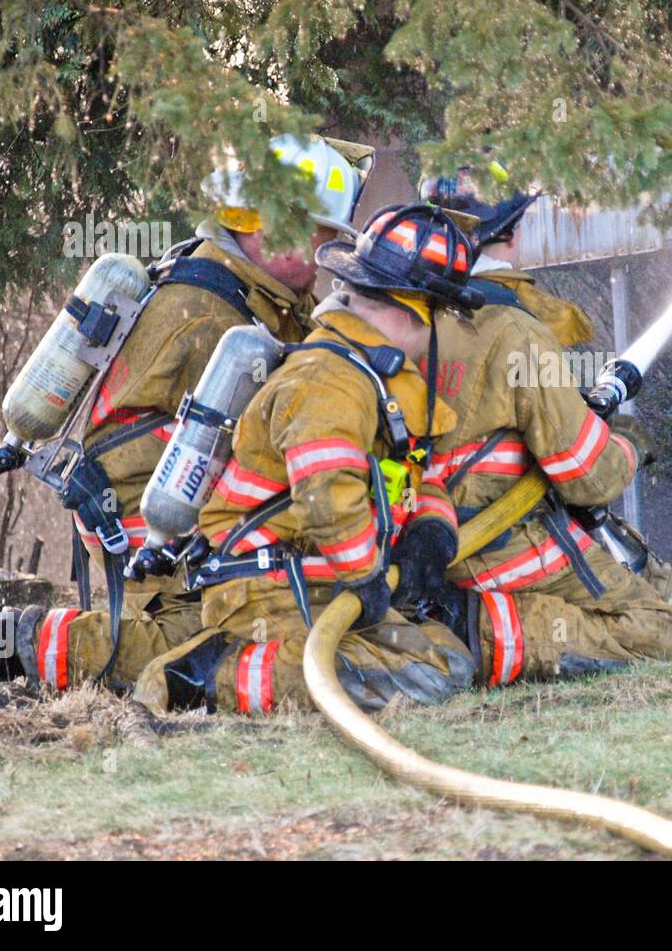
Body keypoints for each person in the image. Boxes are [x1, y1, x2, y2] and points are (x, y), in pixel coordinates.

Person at [0, 136, 368, 694]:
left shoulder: (236, 288)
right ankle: (18, 642)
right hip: (154, 539)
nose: (327, 258)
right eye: (322, 239)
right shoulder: (213, 317)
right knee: (211, 641)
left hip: (156, 523)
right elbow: (271, 446)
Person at [133, 203, 484, 714]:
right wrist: (366, 576)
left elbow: (412, 473)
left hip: (313, 584)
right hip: (268, 590)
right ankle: (203, 678)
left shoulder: (373, 375)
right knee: (426, 677)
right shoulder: (328, 377)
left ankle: (225, 666)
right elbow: (325, 493)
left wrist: (431, 532)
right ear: (411, 310)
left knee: (448, 660)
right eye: (445, 315)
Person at [421, 172, 672, 687]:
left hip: (422, 540)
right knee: (660, 629)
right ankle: (470, 630)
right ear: (514, 232)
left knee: (644, 575)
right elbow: (584, 474)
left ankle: (469, 618)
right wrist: (628, 446)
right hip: (494, 539)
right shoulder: (515, 330)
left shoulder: (413, 313)